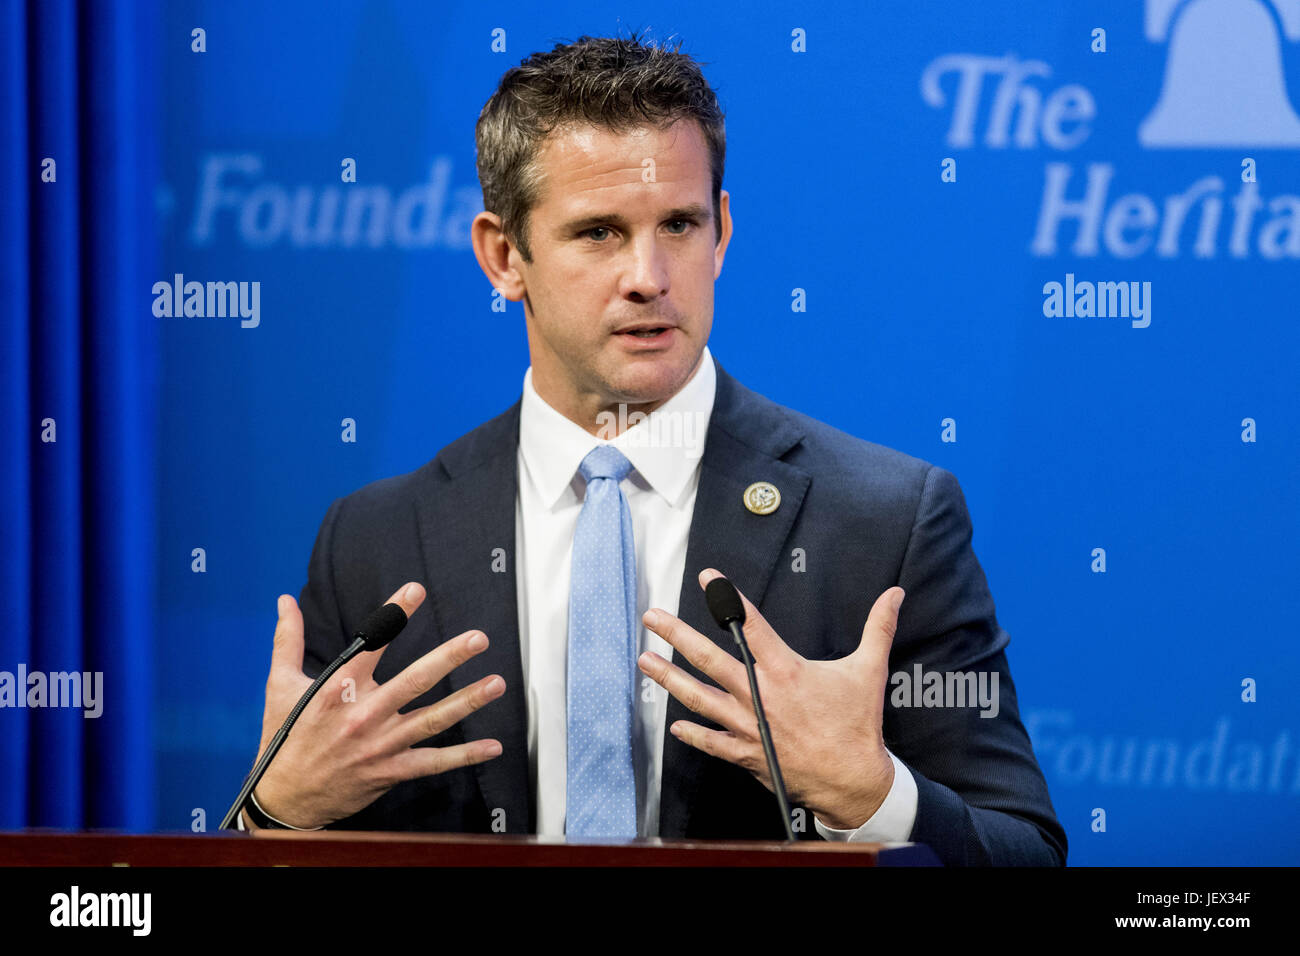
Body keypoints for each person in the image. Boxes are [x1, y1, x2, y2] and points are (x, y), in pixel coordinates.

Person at [234, 33, 1066, 866]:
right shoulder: (375, 540)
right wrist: (276, 812)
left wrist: (871, 794)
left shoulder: (885, 521)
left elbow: (1025, 852)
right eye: (597, 232)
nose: (649, 275)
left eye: (678, 223)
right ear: (503, 256)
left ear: (723, 231)